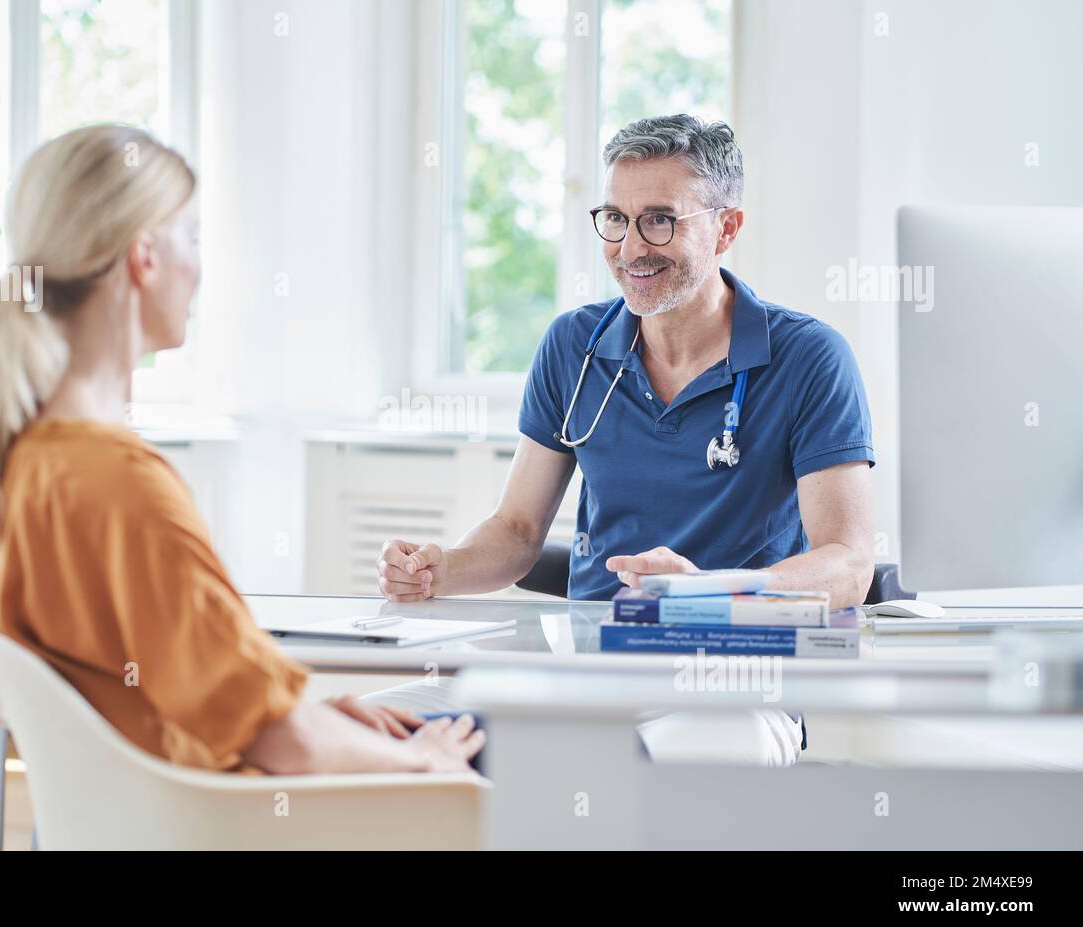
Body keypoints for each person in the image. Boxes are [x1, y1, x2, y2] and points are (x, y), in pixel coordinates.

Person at [0, 124, 483, 775]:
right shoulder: (116, 482)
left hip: (162, 810)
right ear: (144, 257)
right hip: (225, 823)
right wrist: (423, 763)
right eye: (191, 238)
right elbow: (286, 746)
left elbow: (175, 702)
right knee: (498, 743)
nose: (199, 267)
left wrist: (302, 712)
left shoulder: (13, 467)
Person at [373, 115, 876, 766]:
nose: (631, 248)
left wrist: (710, 592)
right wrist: (442, 569)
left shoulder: (809, 358)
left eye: (660, 219)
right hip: (589, 667)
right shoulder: (573, 347)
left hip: (734, 676)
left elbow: (849, 561)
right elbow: (519, 531)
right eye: (615, 218)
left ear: (726, 227)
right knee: (371, 730)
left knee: (686, 758)